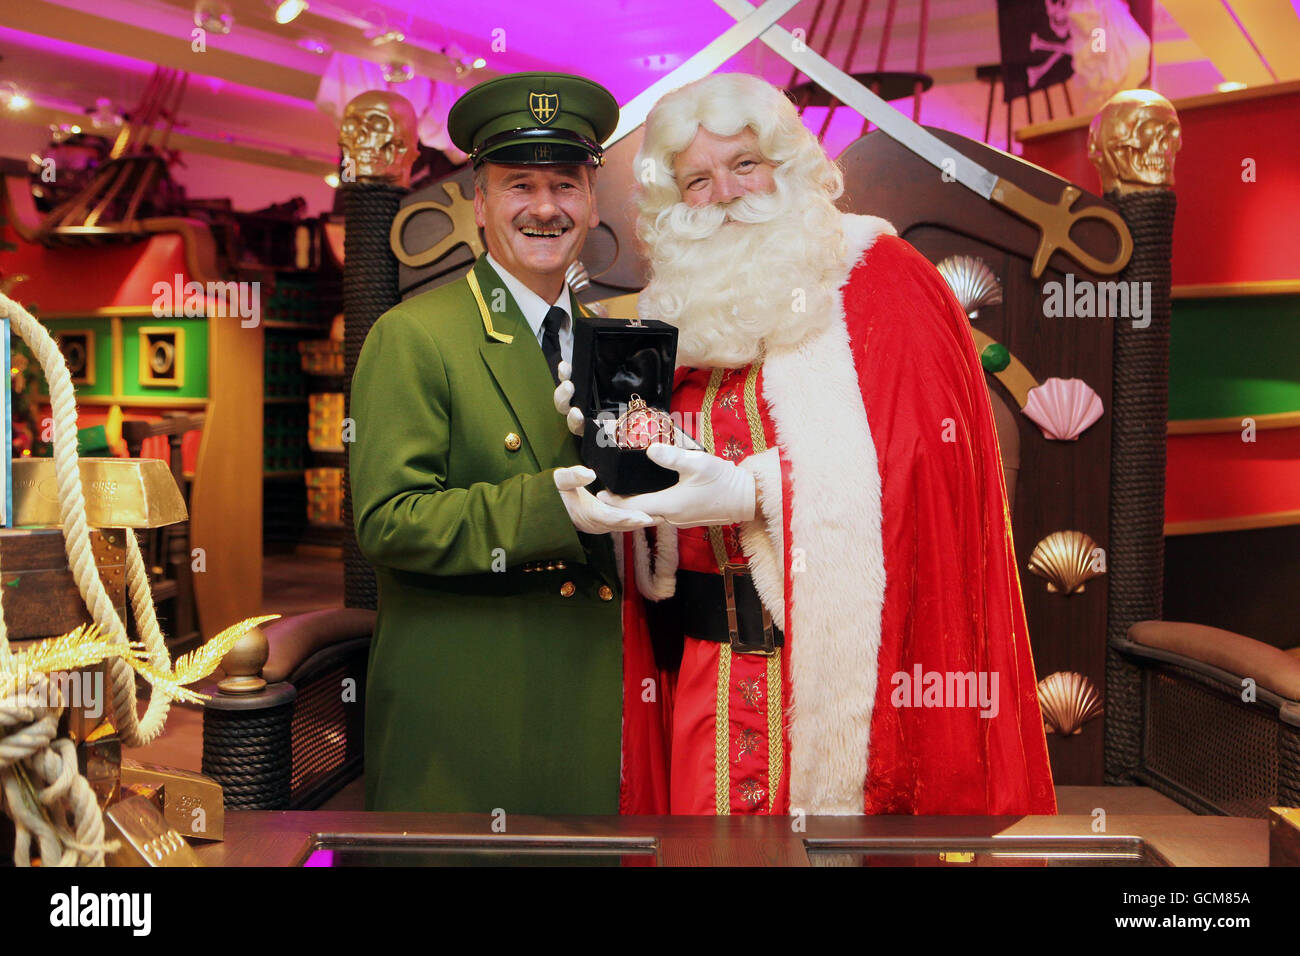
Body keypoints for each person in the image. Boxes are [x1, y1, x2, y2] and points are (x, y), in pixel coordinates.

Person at [558, 72, 1056, 815]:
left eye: (745, 166)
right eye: (697, 179)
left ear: (788, 169)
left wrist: (758, 489)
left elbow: (927, 472)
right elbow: (664, 497)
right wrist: (614, 479)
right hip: (703, 680)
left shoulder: (882, 279)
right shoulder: (669, 314)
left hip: (836, 682)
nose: (725, 192)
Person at [350, 72, 667, 814]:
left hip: (600, 704)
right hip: (474, 718)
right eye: (519, 184)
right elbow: (387, 520)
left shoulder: (612, 343)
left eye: (565, 184)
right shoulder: (415, 335)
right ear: (478, 200)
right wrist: (551, 508)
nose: (546, 207)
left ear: (592, 202)